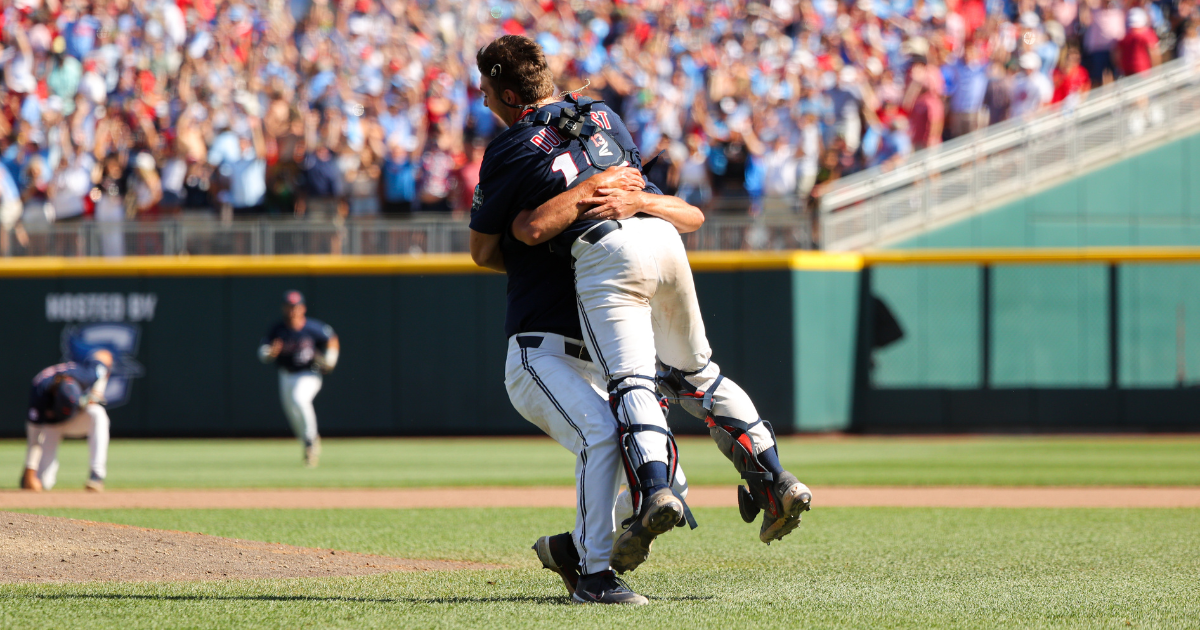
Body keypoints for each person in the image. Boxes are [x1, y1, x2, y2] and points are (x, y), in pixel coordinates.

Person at [475, 33, 812, 583]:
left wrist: (595, 202)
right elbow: (689, 217)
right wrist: (621, 193)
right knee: (691, 378)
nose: (482, 98)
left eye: (487, 88)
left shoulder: (515, 147)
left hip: (607, 268)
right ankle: (770, 476)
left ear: (510, 95)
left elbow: (518, 232)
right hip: (635, 264)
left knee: (637, 408)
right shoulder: (602, 120)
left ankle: (622, 522)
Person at [258, 290, 339, 467]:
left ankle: (311, 441)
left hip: (309, 374)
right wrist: (269, 353)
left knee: (300, 400)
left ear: (303, 308)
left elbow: (332, 339)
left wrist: (330, 360)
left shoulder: (312, 327)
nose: (293, 310)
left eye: (296, 307)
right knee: (292, 414)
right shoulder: (277, 329)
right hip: (286, 375)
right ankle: (308, 442)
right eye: (289, 307)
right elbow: (262, 352)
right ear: (284, 308)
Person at [21, 349, 113, 492]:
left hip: (78, 415)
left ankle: (97, 475)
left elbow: (104, 356)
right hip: (52, 424)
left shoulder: (86, 375)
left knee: (98, 414)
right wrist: (30, 471)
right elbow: (34, 437)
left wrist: (97, 390)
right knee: (43, 483)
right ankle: (30, 476)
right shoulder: (40, 391)